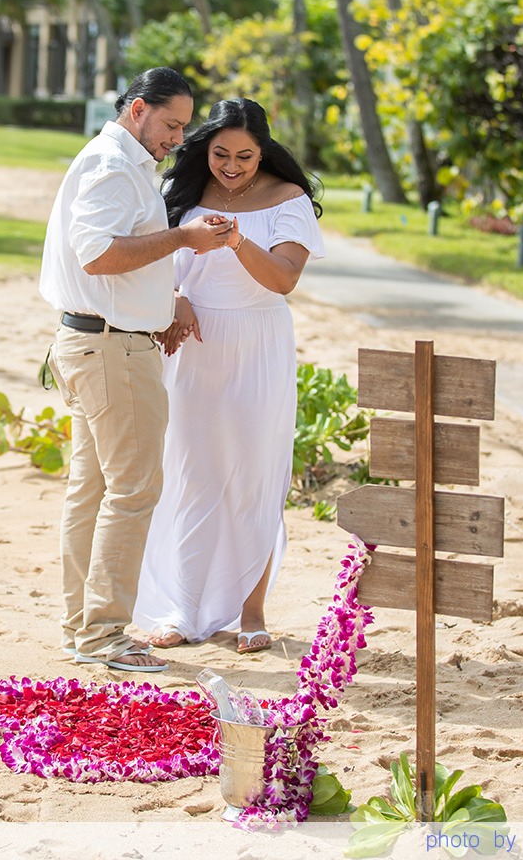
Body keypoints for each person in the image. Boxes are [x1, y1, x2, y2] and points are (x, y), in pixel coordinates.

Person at [39, 67, 234, 674]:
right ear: (139, 110)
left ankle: (83, 630)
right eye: (172, 124)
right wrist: (183, 240)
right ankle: (103, 636)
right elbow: (98, 255)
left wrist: (166, 294)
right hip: (112, 351)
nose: (178, 137)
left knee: (92, 493)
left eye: (182, 127)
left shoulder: (119, 161)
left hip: (92, 343)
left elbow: (114, 257)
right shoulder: (112, 166)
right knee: (132, 492)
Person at [132, 98, 325, 654]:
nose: (232, 166)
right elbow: (153, 263)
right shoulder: (182, 197)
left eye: (245, 155)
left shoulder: (290, 201)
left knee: (252, 477)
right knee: (191, 472)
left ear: (264, 153)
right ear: (205, 148)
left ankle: (252, 611)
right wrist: (174, 299)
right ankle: (183, 607)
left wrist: (238, 239)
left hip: (258, 345)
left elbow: (284, 279)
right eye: (220, 154)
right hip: (192, 346)